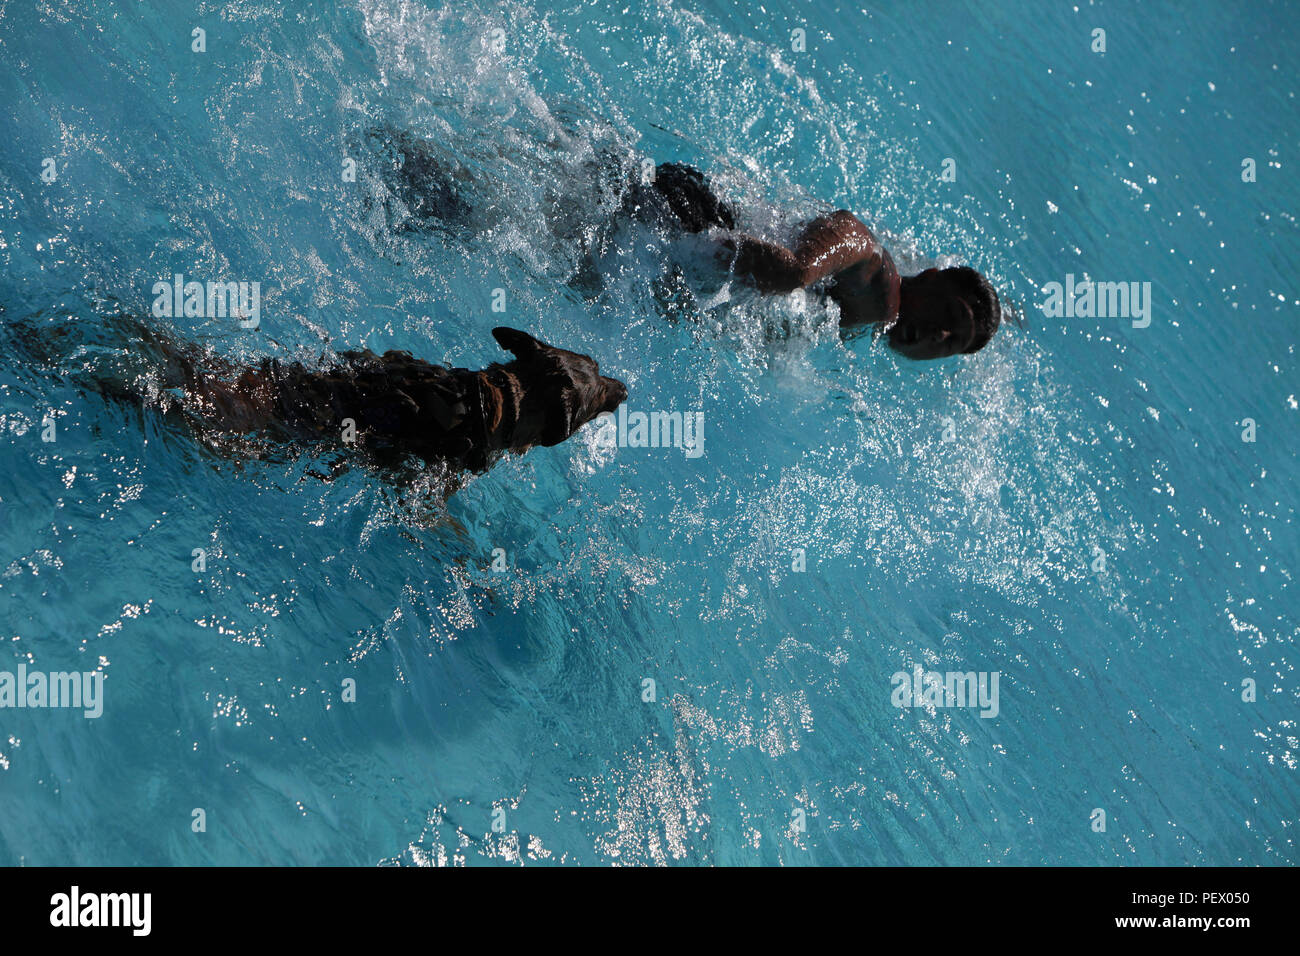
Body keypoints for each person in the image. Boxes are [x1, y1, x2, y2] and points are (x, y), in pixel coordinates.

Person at [637, 163, 1002, 360]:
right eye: (952, 317)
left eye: (949, 344)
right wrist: (794, 270)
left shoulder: (873, 328)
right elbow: (852, 234)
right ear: (930, 277)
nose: (940, 334)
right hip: (683, 215)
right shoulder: (880, 278)